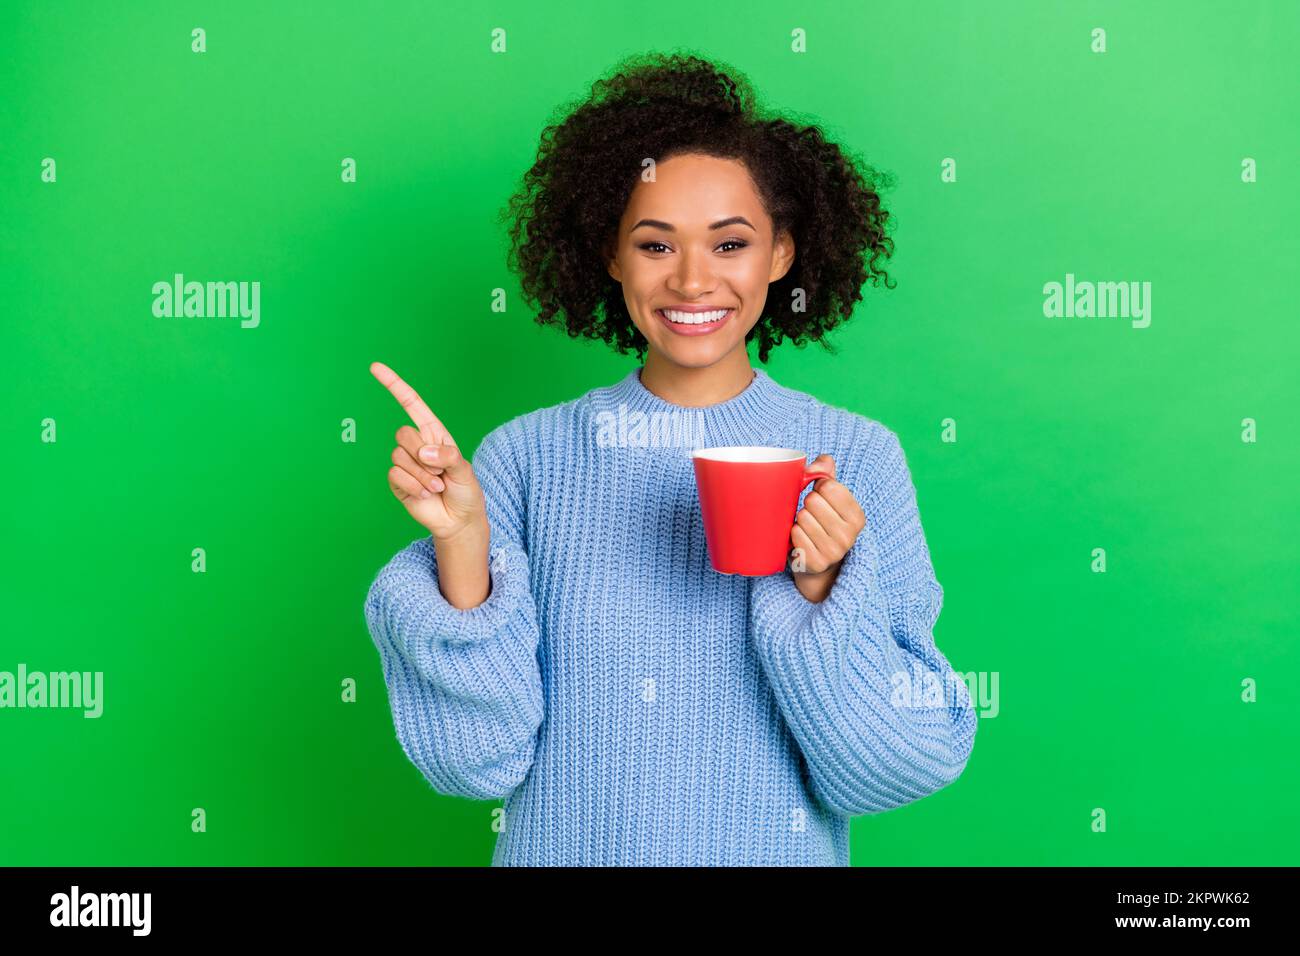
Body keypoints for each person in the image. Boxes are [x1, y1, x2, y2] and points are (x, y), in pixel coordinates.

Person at [363, 52, 976, 866]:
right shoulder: (523, 458)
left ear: (782, 255)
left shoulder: (859, 455)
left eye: (731, 244)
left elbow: (896, 766)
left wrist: (824, 588)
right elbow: (477, 763)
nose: (693, 281)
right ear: (610, 255)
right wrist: (463, 547)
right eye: (656, 245)